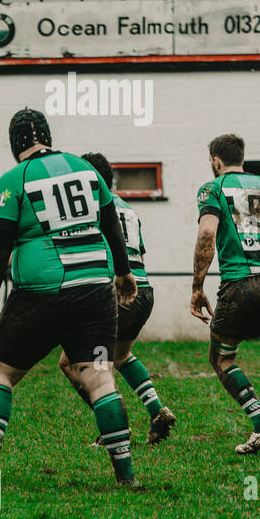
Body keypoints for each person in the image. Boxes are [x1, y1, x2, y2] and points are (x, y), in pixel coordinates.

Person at [0, 108, 139, 488]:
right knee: (100, 379)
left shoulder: (12, 180)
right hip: (95, 291)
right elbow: (111, 223)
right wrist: (123, 272)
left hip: (40, 294)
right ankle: (126, 477)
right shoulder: (86, 168)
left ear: (13, 144)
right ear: (48, 135)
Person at [191, 133, 260, 455]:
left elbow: (206, 235)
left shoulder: (212, 189)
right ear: (241, 157)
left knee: (222, 357)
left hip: (239, 283)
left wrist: (197, 288)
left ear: (215, 160)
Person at [59, 153, 177, 445]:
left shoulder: (90, 207)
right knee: (121, 356)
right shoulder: (128, 209)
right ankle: (157, 410)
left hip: (113, 295)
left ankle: (113, 426)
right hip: (143, 291)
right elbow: (140, 255)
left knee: (72, 362)